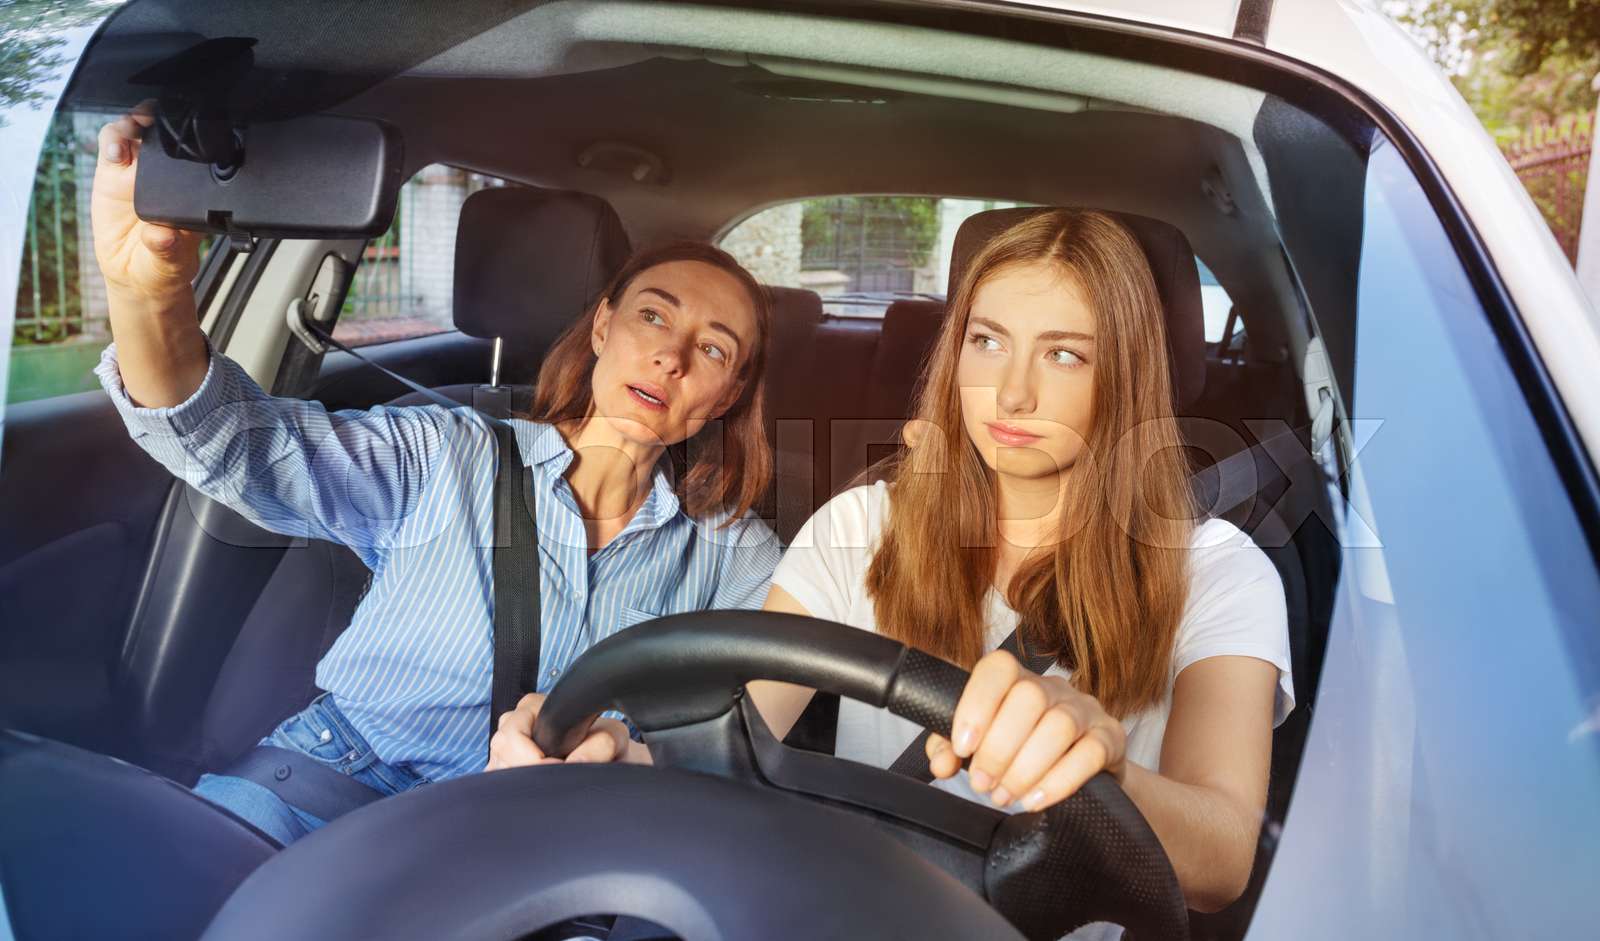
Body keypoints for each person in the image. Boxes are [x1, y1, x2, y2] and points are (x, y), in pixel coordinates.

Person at [90, 109, 781, 845]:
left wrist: (633, 754)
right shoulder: (448, 451)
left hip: (543, 835)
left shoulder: (736, 556)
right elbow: (235, 441)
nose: (671, 356)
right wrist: (147, 293)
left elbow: (738, 745)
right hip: (332, 790)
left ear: (730, 395)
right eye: (653, 316)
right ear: (605, 328)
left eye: (712, 350)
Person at [746, 209, 1295, 916]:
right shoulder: (859, 524)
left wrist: (1107, 770)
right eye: (987, 341)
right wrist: (619, 750)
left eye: (1064, 353)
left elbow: (1221, 862)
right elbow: (736, 734)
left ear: (1123, 377)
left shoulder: (1220, 571)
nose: (1012, 392)